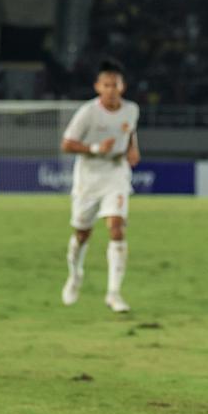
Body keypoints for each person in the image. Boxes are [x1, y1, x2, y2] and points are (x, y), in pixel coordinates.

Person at [60, 58, 141, 313]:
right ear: (98, 87)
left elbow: (130, 132)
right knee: (82, 234)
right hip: (88, 176)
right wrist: (96, 148)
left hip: (116, 173)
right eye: (106, 85)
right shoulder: (88, 112)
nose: (111, 90)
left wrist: (133, 148)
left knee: (116, 228)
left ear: (122, 87)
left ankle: (114, 293)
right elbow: (66, 144)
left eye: (115, 85)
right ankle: (75, 274)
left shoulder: (132, 109)